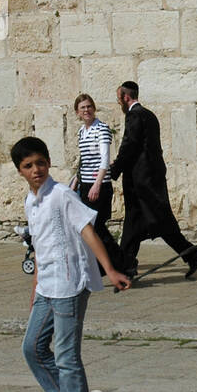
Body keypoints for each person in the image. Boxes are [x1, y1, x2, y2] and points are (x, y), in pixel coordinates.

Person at [11, 136, 131, 392]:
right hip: (46, 287)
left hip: (70, 284)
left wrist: (111, 270)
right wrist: (35, 288)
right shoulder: (31, 202)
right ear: (20, 171)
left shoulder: (62, 195)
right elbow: (38, 247)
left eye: (40, 162)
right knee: (32, 349)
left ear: (49, 163)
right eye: (28, 166)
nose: (36, 169)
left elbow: (87, 232)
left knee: (66, 356)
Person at [108, 81, 197, 280]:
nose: (120, 103)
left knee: (152, 221)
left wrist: (114, 169)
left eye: (119, 99)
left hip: (141, 181)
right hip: (150, 178)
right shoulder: (150, 115)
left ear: (126, 97)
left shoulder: (134, 116)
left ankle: (126, 267)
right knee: (143, 222)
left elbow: (130, 146)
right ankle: (128, 265)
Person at [71, 93, 126, 275]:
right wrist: (76, 182)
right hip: (85, 184)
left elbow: (105, 159)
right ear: (77, 112)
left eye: (89, 106)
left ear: (94, 108)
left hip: (99, 185)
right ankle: (105, 265)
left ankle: (123, 263)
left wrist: (97, 184)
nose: (86, 110)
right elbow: (84, 161)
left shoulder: (101, 129)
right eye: (82, 108)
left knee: (97, 227)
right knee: (93, 227)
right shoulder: (82, 132)